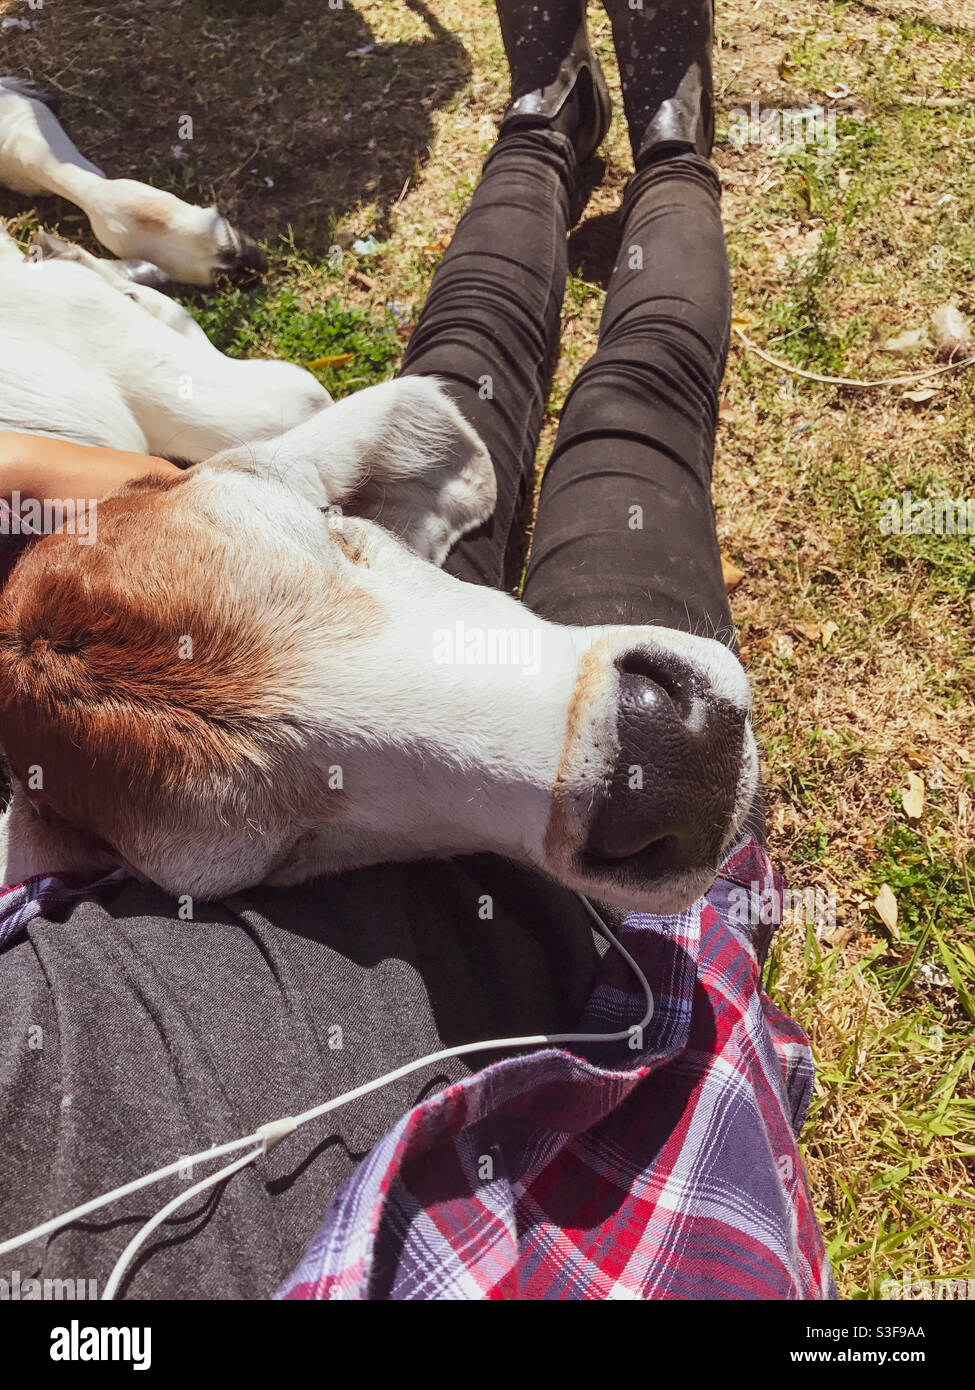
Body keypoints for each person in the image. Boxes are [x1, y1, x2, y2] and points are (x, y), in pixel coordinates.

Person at [0, 0, 835, 1300]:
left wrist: (220, 511)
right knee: (640, 415)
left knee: (469, 355)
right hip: (625, 1002)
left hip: (304, 709)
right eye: (266, 840)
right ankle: (674, 152)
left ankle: (543, 128)